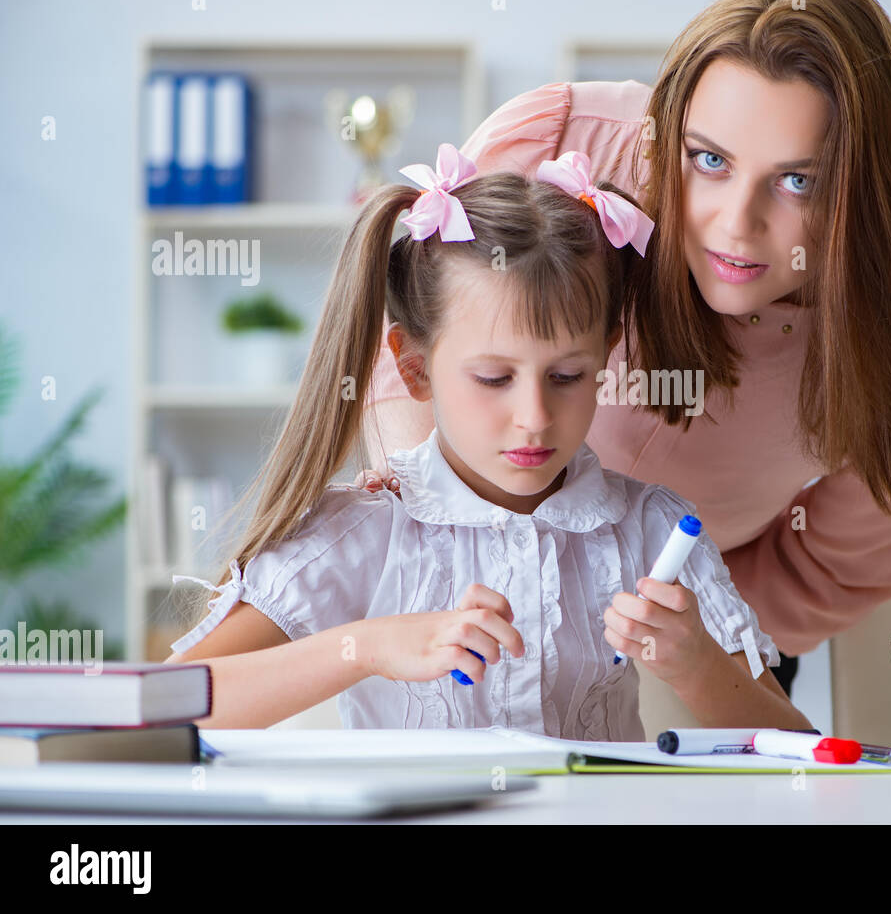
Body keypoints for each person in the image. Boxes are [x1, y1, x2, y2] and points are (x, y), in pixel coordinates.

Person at [357, 0, 891, 701]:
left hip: (682, 649)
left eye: (798, 182)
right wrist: (434, 549)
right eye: (710, 160)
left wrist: (678, 632)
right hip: (453, 608)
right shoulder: (564, 152)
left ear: (867, 190)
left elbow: (829, 571)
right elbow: (414, 346)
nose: (735, 223)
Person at [165, 144, 810, 740]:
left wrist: (696, 665)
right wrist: (363, 646)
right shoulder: (365, 532)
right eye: (494, 378)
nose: (533, 417)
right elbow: (168, 704)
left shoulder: (649, 529)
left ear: (607, 355)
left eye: (567, 376)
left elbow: (805, 754)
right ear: (414, 366)